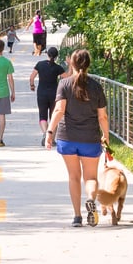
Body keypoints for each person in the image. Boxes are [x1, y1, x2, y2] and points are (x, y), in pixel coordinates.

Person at [44, 48, 108, 226]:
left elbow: (59, 110)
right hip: (90, 139)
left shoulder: (64, 84)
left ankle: (77, 217)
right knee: (91, 178)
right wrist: (106, 137)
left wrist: (50, 132)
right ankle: (90, 199)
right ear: (88, 64)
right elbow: (102, 116)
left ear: (71, 63)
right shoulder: (96, 86)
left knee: (73, 177)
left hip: (67, 138)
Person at [29, 46, 65, 145]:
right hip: (54, 94)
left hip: (42, 93)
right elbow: (67, 77)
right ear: (56, 56)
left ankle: (45, 133)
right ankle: (52, 139)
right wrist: (70, 65)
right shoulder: (58, 68)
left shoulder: (40, 65)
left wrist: (32, 86)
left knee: (42, 115)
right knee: (54, 116)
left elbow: (32, 77)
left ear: (47, 54)